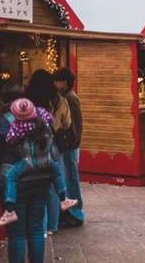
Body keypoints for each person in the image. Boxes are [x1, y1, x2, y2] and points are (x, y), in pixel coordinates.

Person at [0, 85, 51, 263]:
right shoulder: (39, 117)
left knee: (16, 232)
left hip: (14, 184)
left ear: (5, 101)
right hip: (40, 177)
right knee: (36, 229)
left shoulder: (3, 122)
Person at [0, 98, 77, 228]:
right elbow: (51, 120)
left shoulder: (19, 126)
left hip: (29, 162)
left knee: (10, 177)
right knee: (57, 173)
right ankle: (64, 199)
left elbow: (10, 139)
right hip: (46, 160)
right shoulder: (42, 117)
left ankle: (9, 210)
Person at [26, 68, 73, 234]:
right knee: (53, 185)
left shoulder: (28, 102)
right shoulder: (60, 100)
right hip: (54, 145)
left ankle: (40, 225)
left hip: (35, 144)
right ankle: (52, 225)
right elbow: (67, 124)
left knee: (38, 185)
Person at [53, 67, 85, 225]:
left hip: (69, 145)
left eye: (57, 81)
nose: (55, 84)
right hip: (68, 145)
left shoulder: (70, 98)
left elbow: (76, 125)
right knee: (68, 178)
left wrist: (72, 142)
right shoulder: (65, 97)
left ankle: (75, 213)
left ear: (64, 82)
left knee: (70, 178)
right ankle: (72, 212)